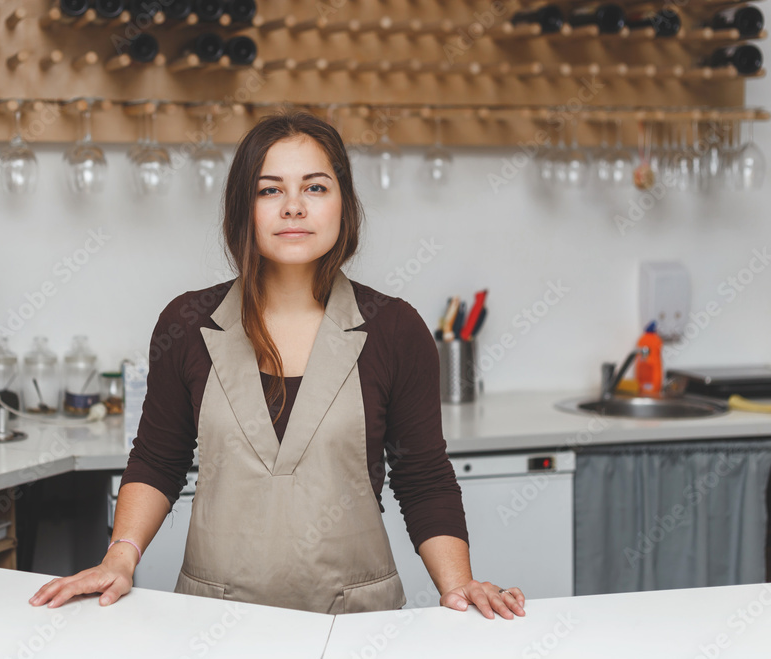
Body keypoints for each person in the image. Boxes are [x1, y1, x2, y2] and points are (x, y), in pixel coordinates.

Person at [30, 110, 525, 619]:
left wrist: (460, 584)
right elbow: (158, 459)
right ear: (243, 209)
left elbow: (422, 476)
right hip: (213, 623)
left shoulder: (394, 328)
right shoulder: (187, 322)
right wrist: (120, 557)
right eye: (270, 191)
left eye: (315, 188)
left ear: (344, 205)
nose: (293, 207)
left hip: (356, 625)